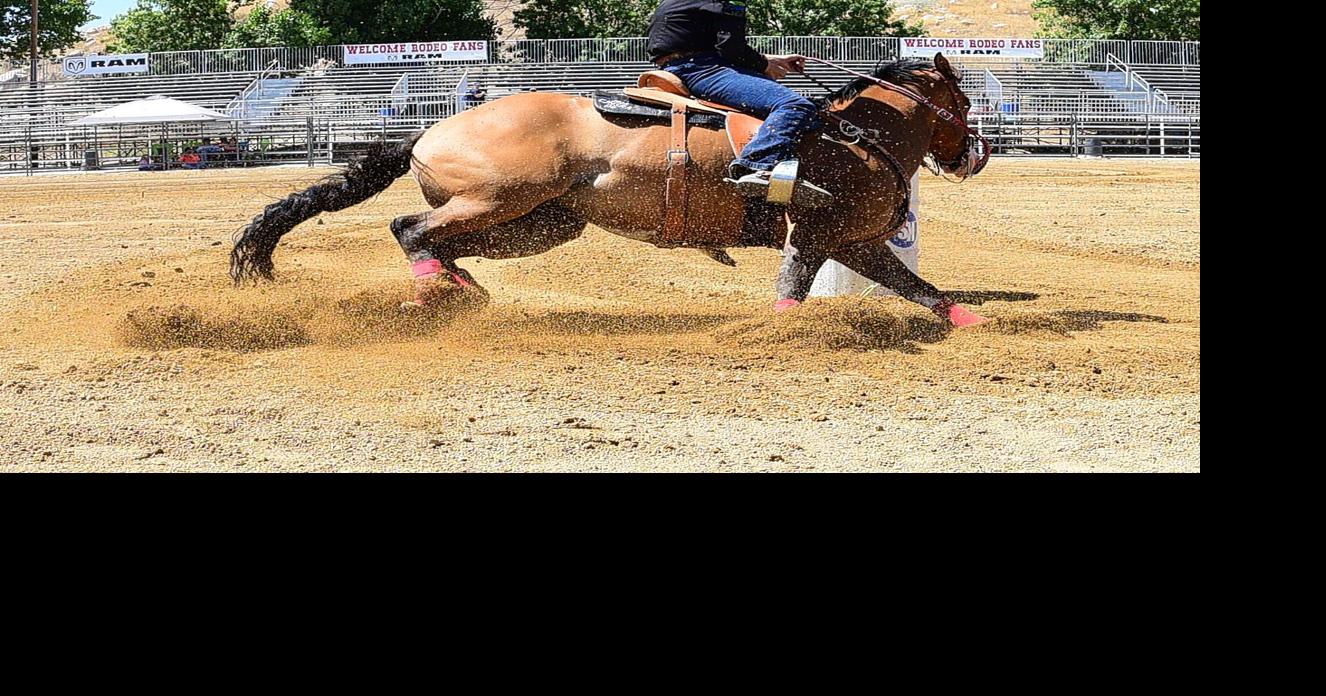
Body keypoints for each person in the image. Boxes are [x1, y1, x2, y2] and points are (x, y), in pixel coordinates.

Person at [647, 0, 831, 205]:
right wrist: (763, 64)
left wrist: (768, 60)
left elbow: (703, 43)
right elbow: (731, 47)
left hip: (684, 65)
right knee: (795, 105)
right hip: (701, 69)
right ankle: (759, 167)